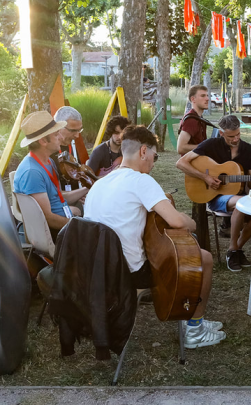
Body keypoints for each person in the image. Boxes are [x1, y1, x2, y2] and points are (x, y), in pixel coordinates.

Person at [84, 126, 225, 349]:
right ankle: (195, 329)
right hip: (128, 274)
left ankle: (195, 322)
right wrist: (193, 223)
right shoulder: (141, 180)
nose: (153, 161)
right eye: (154, 156)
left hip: (98, 270)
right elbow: (177, 222)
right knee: (204, 258)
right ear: (143, 151)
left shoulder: (100, 183)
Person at [176, 115, 251, 272]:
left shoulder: (248, 149)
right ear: (221, 133)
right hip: (214, 197)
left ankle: (235, 249)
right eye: (231, 136)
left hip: (240, 195)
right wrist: (205, 177)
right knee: (241, 204)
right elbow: (181, 163)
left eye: (238, 135)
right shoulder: (210, 144)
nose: (235, 139)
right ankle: (233, 250)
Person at [14, 111, 88, 240]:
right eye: (56, 133)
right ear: (43, 141)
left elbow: (58, 196)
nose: (60, 136)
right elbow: (46, 218)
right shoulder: (32, 172)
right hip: (56, 235)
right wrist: (78, 228)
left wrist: (88, 188)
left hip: (62, 227)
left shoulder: (48, 162)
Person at [54, 106, 86, 192]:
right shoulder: (48, 151)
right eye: (73, 131)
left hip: (75, 195)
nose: (77, 135)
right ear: (58, 127)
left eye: (79, 130)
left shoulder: (72, 145)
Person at [177, 85, 212, 156]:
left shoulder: (199, 118)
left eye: (207, 96)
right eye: (203, 96)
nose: (207, 99)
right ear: (193, 99)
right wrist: (205, 147)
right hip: (192, 164)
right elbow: (180, 148)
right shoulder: (191, 120)